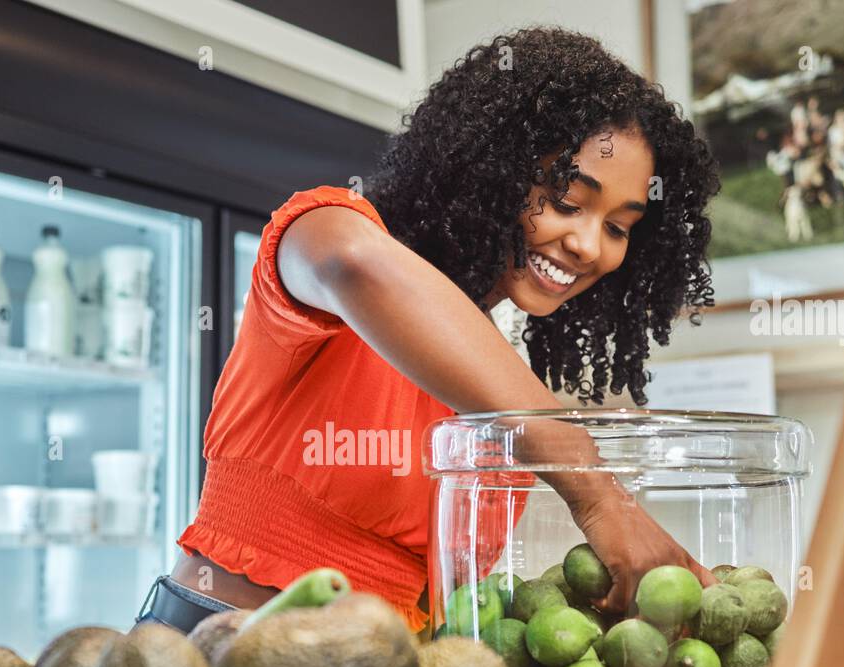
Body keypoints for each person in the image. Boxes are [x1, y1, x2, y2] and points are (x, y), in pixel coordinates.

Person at [140, 29, 721, 634]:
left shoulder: (495, 372)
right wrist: (598, 494)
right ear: (493, 168)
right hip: (220, 656)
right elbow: (353, 264)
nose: (587, 244)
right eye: (567, 201)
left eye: (619, 228)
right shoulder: (329, 228)